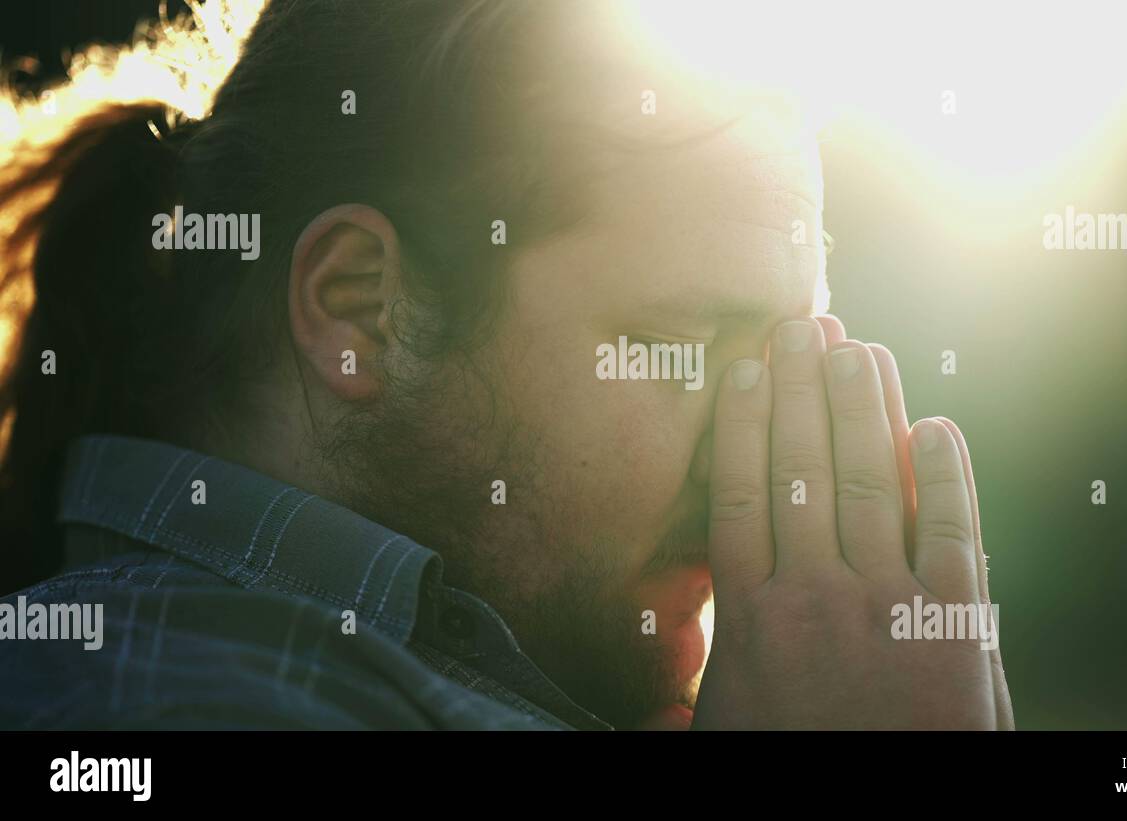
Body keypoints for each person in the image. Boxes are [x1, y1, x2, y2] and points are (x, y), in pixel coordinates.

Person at [0, 0, 1011, 729]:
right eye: (678, 349)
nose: (756, 461)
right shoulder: (158, 699)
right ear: (359, 308)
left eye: (785, 357)